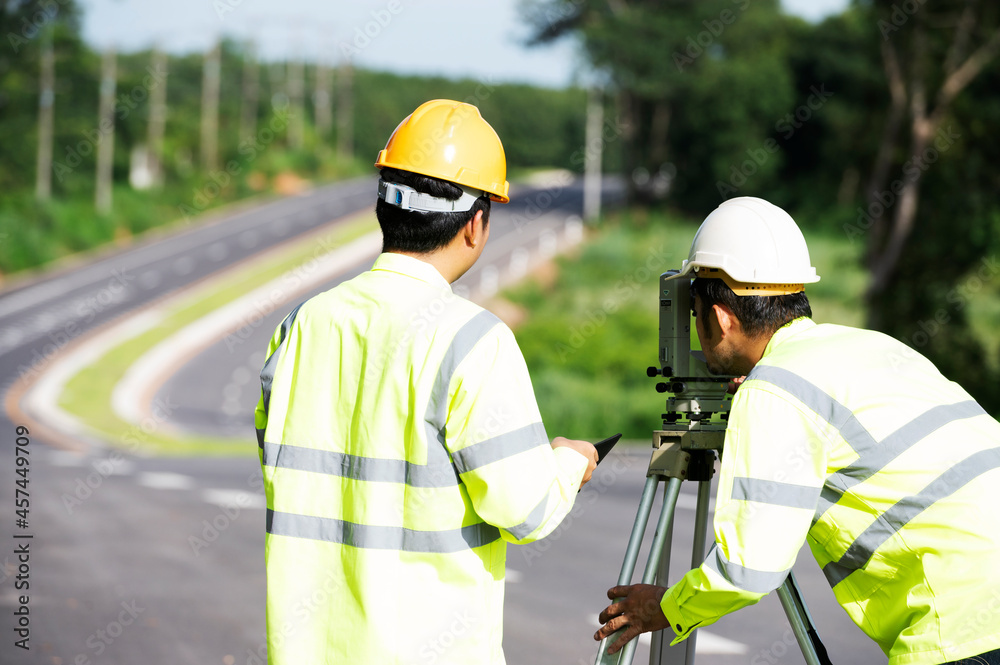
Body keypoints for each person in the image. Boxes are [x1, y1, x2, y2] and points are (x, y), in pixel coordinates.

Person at [254, 99, 598, 665]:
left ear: (383, 205)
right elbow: (527, 510)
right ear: (476, 222)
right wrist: (569, 461)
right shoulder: (472, 341)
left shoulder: (302, 325)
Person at [594, 197, 1000, 665]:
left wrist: (666, 607)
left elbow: (750, 570)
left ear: (721, 317)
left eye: (694, 310)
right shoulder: (871, 346)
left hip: (966, 628)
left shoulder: (774, 392)